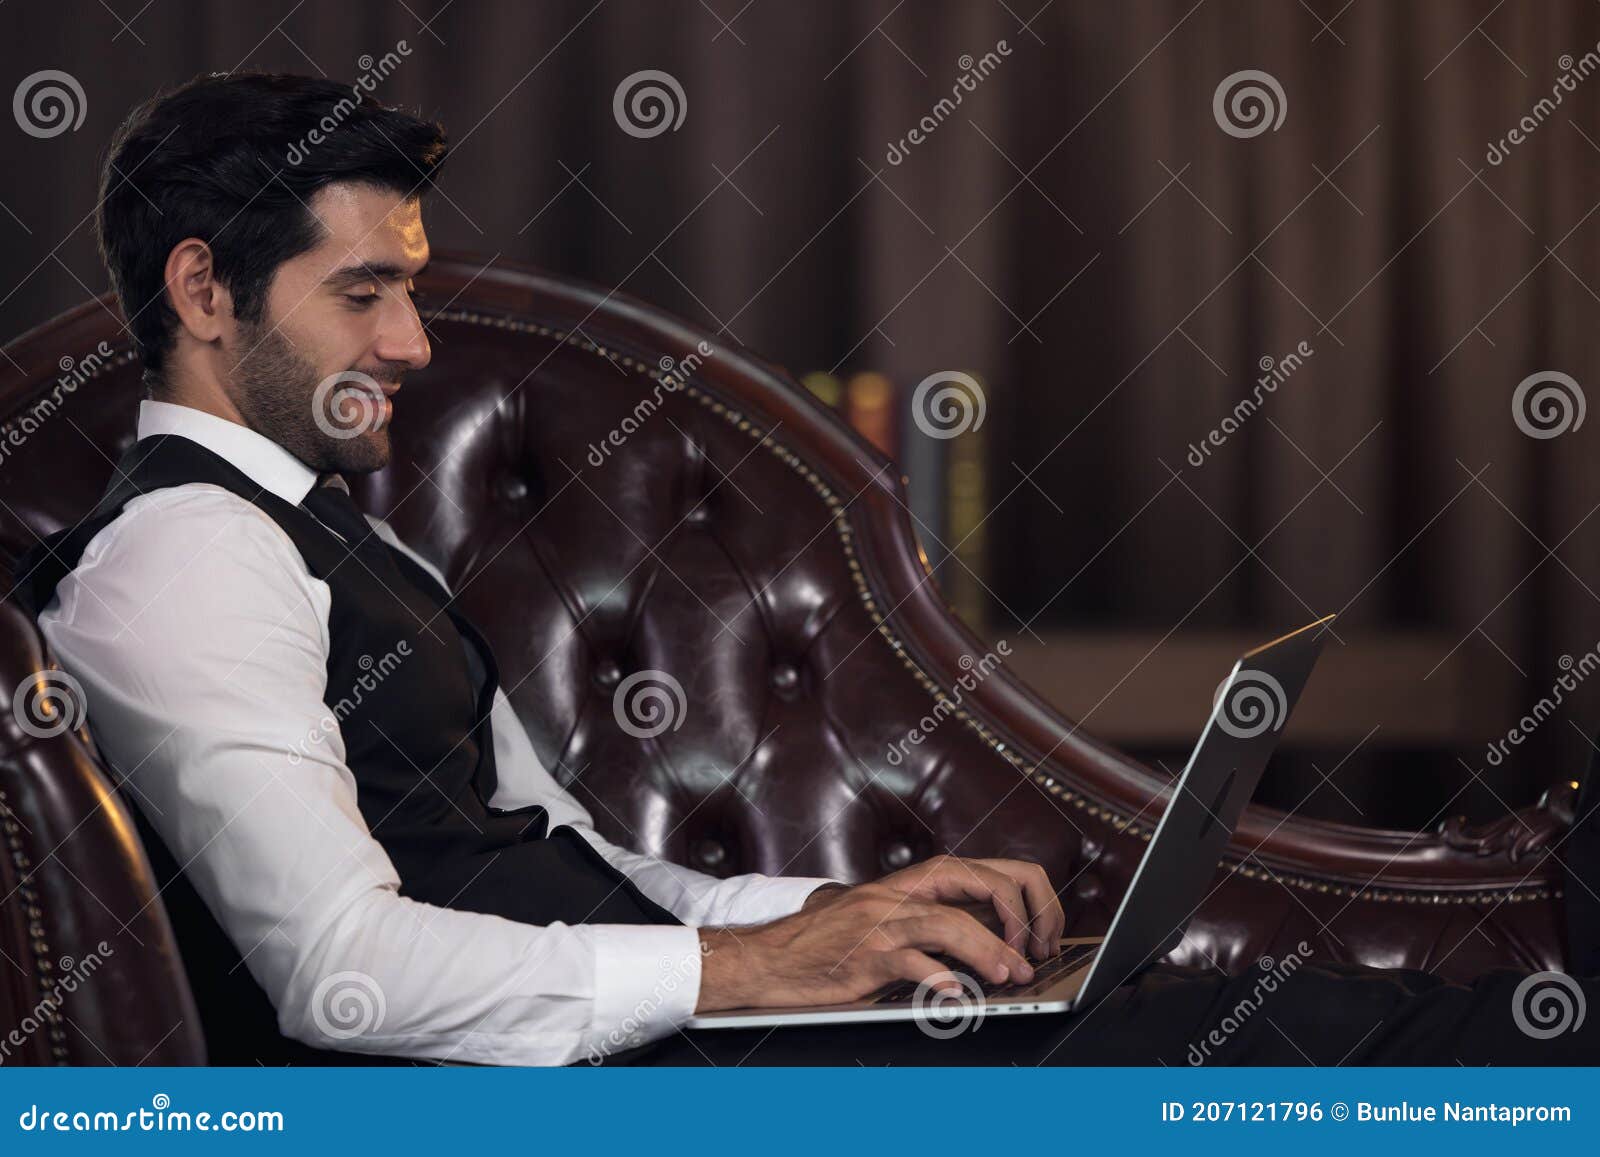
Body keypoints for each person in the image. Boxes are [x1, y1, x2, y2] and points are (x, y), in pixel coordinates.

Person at [15, 72, 1600, 1067]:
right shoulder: (179, 558)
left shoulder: (321, 538)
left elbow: (577, 867)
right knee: (1333, 1053)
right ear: (205, 289)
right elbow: (342, 978)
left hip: (665, 1060)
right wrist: (758, 966)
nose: (414, 343)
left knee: (1293, 1041)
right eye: (364, 293)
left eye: (409, 291)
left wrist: (841, 915)